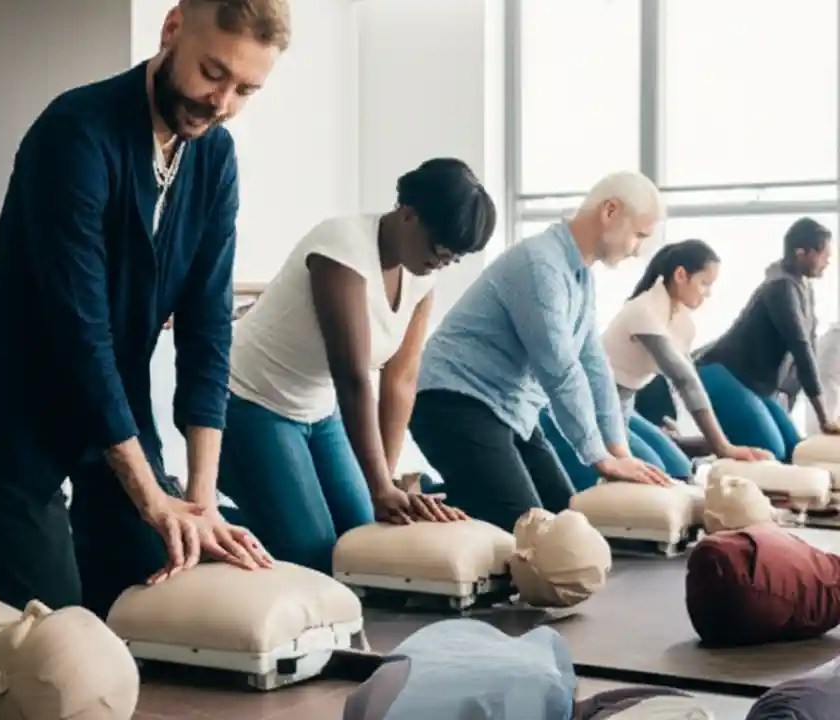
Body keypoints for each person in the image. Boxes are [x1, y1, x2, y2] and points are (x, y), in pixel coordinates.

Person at [0, 0, 289, 619]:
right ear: (173, 28)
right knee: (57, 615)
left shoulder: (215, 158)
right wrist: (152, 495)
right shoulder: (75, 131)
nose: (222, 103)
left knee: (150, 570)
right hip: (13, 402)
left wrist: (198, 499)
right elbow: (81, 331)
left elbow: (208, 328)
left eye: (246, 89)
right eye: (213, 72)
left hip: (112, 401)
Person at [215, 159, 495, 574]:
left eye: (455, 257)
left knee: (360, 537)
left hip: (318, 410)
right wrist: (378, 485)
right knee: (315, 551)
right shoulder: (341, 247)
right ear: (408, 215)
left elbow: (400, 380)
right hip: (249, 401)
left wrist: (387, 479)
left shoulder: (422, 276)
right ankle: (213, 521)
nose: (444, 262)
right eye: (440, 249)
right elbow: (353, 376)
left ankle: (262, 516)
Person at [409, 171, 673, 534]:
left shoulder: (581, 276)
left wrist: (618, 449)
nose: (638, 250)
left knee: (568, 522)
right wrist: (598, 457)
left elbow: (593, 363)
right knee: (535, 534)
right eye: (639, 235)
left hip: (511, 411)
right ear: (610, 211)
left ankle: (449, 490)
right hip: (453, 402)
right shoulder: (540, 264)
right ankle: (420, 497)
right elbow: (560, 369)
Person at [541, 239, 772, 491]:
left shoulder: (679, 317)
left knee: (680, 469)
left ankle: (674, 442)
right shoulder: (644, 310)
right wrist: (722, 447)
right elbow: (684, 379)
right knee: (658, 476)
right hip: (591, 406)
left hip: (623, 407)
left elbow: (684, 381)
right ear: (681, 275)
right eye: (704, 283)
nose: (708, 293)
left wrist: (707, 441)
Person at [695, 217, 840, 460]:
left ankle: (711, 442)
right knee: (772, 452)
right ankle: (689, 445)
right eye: (823, 254)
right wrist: (824, 419)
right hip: (723, 374)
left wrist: (822, 415)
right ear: (801, 253)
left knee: (796, 451)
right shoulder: (781, 288)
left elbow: (809, 354)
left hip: (755, 386)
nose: (828, 261)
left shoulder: (805, 287)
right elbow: (801, 349)